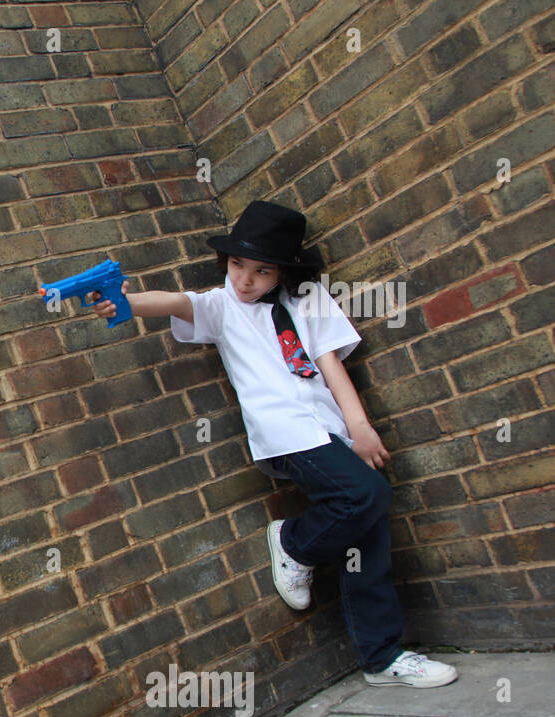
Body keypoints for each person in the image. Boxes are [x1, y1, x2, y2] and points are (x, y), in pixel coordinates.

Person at [90, 200, 456, 688]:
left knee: (369, 536)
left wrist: (360, 425)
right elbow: (177, 302)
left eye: (261, 271)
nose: (245, 280)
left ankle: (382, 657)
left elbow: (329, 364)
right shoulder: (221, 307)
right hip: (284, 433)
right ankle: (293, 542)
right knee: (368, 495)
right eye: (238, 265)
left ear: (281, 271)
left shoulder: (308, 300)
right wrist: (127, 303)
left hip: (329, 431)